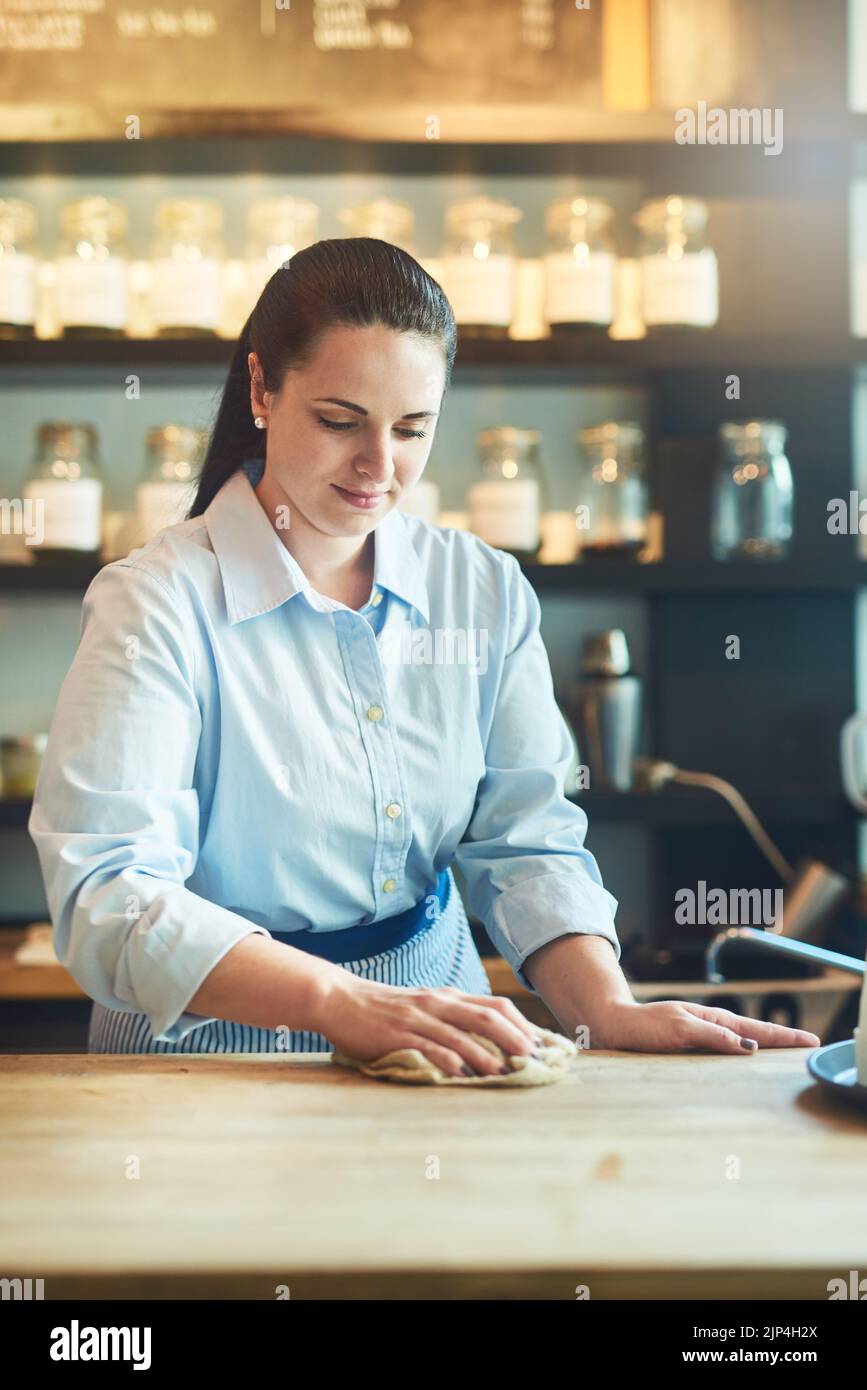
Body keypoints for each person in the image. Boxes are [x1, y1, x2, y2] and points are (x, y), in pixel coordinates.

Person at [28, 237, 819, 1069]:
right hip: (208, 1054)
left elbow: (525, 840)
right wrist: (340, 1006)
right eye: (339, 422)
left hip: (441, 1037)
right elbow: (110, 893)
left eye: (411, 429)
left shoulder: (480, 589)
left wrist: (607, 1009)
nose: (378, 466)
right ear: (261, 387)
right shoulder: (155, 601)